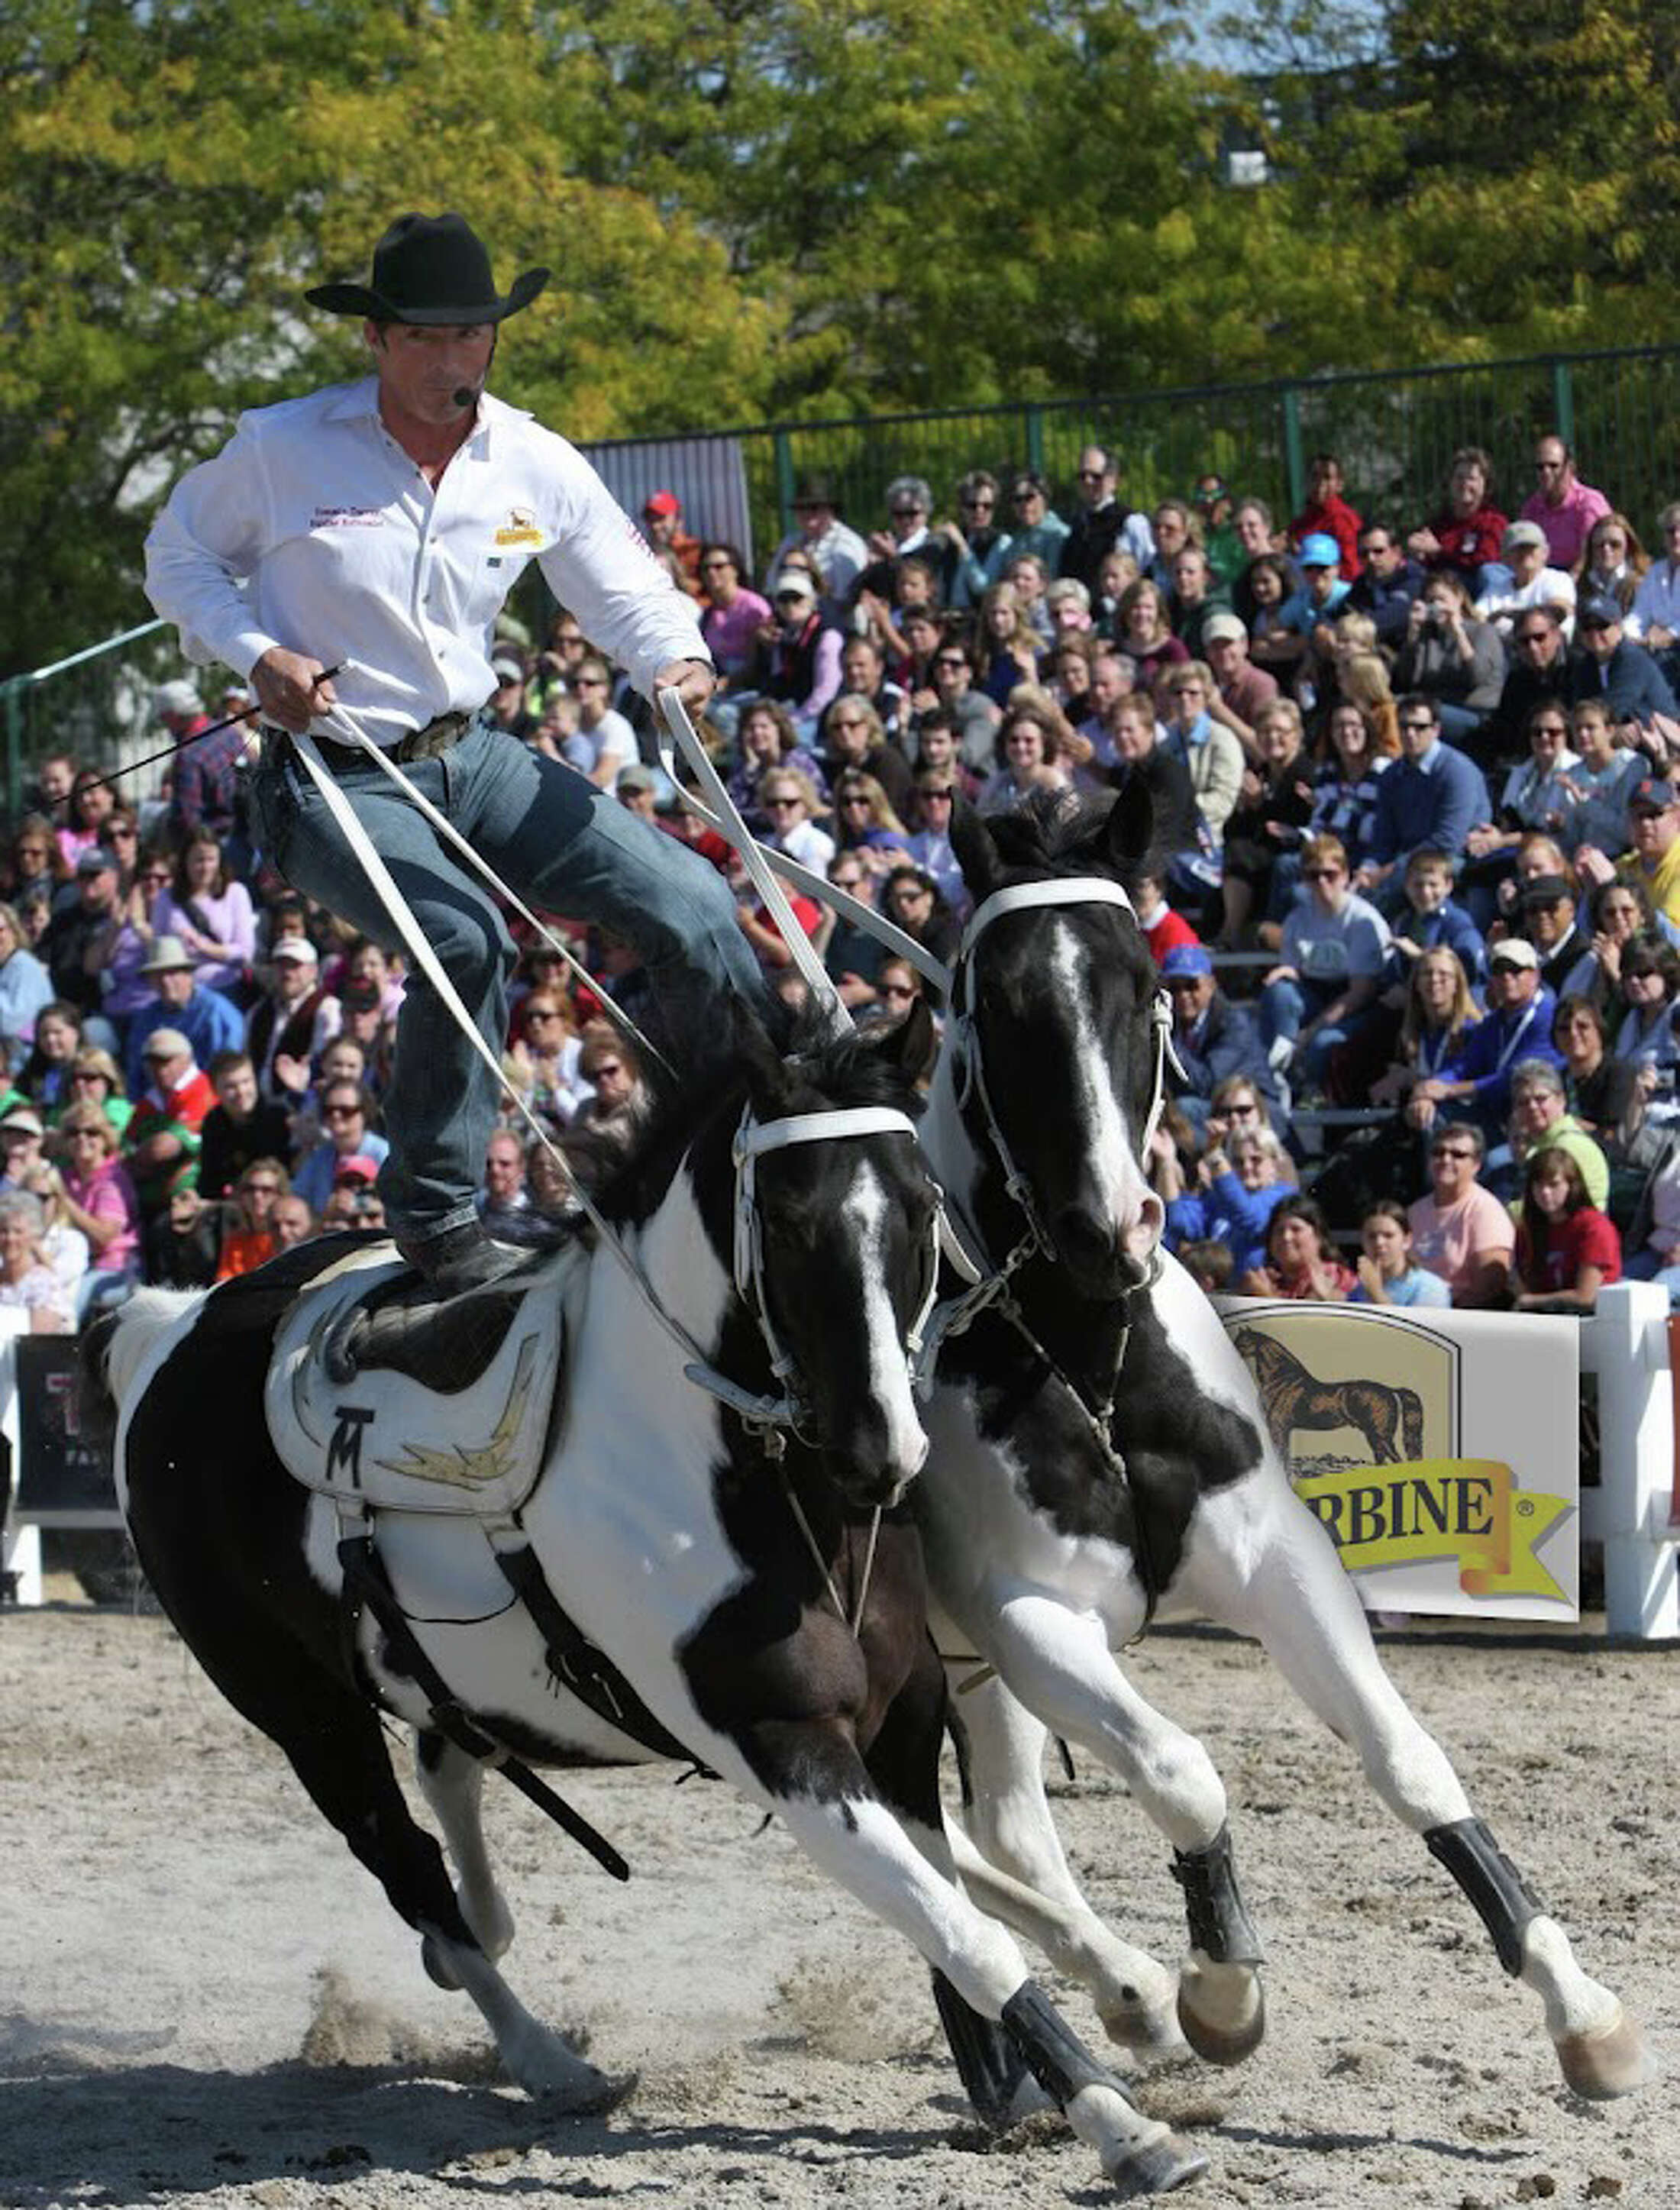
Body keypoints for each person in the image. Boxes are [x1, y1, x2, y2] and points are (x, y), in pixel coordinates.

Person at [144, 210, 769, 1295]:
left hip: (472, 754)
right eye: (426, 337)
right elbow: (176, 552)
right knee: (462, 937)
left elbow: (621, 583)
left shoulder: (530, 457)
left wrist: (677, 658)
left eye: (470, 335)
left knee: (695, 899)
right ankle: (435, 1217)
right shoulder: (283, 448)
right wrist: (254, 653)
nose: (452, 359)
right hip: (331, 772)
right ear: (376, 341)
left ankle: (751, 1141)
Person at [1259, 833, 1392, 1093]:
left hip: (1358, 1000)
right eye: (1313, 875)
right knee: (1278, 992)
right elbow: (1295, 968)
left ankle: (1311, 1091)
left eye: (1329, 874)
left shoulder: (1362, 921)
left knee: (1323, 1042)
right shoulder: (1298, 918)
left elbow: (1361, 992)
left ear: (1344, 875)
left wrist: (1310, 1032)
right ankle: (1276, 1067)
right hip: (1315, 989)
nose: (1322, 882)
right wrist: (1287, 971)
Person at [1355, 696, 1490, 900]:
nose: (1410, 734)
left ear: (1436, 730)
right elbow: (1383, 836)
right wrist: (1368, 868)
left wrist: (1389, 871)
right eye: (1404, 726)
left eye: (1419, 727)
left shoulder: (1457, 772)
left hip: (1452, 860)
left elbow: (1448, 840)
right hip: (1404, 861)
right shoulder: (1391, 775)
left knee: (1383, 893)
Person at [121, 935, 244, 1096]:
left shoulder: (217, 1012)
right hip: (158, 1104)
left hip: (207, 1101)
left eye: (172, 973)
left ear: (189, 975)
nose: (165, 981)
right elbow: (136, 1074)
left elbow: (227, 1068)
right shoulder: (145, 1019)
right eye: (158, 974)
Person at [1407, 1121, 1514, 1307]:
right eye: (1438, 1152)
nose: (1446, 1160)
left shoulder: (1485, 1210)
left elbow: (1490, 1285)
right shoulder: (1415, 1211)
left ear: (1476, 1165)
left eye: (1458, 1155)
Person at [1512, 1146, 1620, 1312]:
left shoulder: (1594, 1228)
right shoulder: (1528, 1229)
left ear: (1572, 1185)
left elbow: (1586, 1297)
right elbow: (1522, 1283)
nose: (1545, 1192)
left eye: (1554, 1185)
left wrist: (1531, 1301)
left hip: (1592, 1322)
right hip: (1543, 1321)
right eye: (1538, 1185)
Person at [763, 473, 867, 621]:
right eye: (801, 508)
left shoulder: (846, 545)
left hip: (837, 624)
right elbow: (771, 586)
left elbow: (846, 601)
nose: (807, 514)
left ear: (830, 510)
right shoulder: (790, 541)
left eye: (814, 508)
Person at [196, 1048, 296, 1199]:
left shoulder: (276, 1117)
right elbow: (210, 1178)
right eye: (231, 1086)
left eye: (246, 1082)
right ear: (215, 1091)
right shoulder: (214, 1122)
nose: (241, 1091)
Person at [1568, 593, 1678, 729]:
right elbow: (1580, 709)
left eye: (1602, 625)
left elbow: (1612, 711)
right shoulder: (1585, 665)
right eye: (1587, 626)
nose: (1594, 633)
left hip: (1658, 739)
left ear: (1619, 627)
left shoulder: (1632, 660)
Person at [1060, 446, 1152, 590]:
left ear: (1114, 481)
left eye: (1096, 476)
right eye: (1082, 476)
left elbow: (1146, 569)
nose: (1088, 481)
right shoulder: (1076, 524)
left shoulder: (1130, 522)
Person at [1237, 1196, 1357, 1301]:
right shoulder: (1264, 1281)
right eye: (1279, 1231)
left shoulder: (1335, 1278)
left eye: (1296, 1229)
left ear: (1318, 1236)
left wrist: (1264, 1296)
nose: (1286, 1237)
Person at [1519, 435, 1611, 573]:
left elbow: (1589, 558)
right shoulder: (1532, 508)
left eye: (1553, 466)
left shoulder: (1589, 504)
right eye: (1540, 467)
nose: (1546, 472)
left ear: (1570, 468)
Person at [1349, 1199, 1452, 1308]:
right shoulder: (1359, 1290)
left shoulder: (1430, 1288)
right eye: (1372, 1236)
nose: (1379, 1243)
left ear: (1407, 1240)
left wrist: (1376, 1294)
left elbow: (1413, 1325)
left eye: (1389, 1236)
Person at [0, 901, 53, 1079]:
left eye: (1, 930)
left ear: (14, 932)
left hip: (25, 1065)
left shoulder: (24, 966)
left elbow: (12, 1023)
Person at [1287, 454, 1362, 577]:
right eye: (1315, 477)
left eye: (1327, 478)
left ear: (1339, 485)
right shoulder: (1302, 521)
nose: (1320, 483)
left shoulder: (1342, 519)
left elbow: (1352, 570)